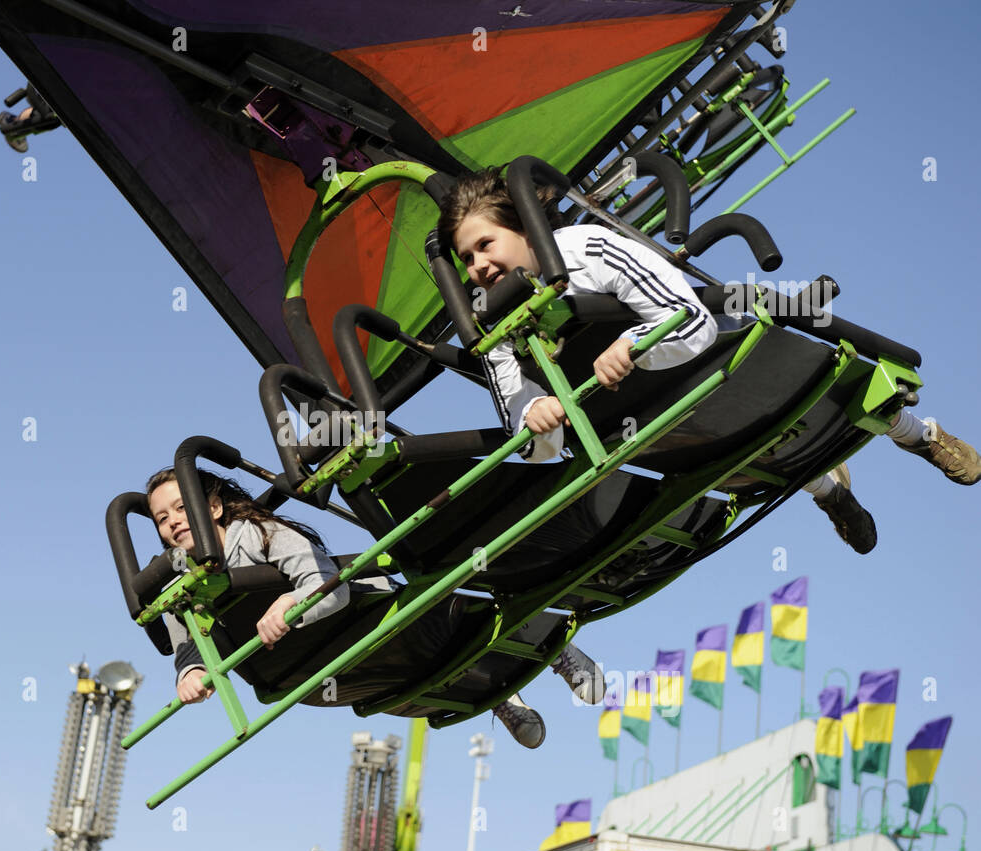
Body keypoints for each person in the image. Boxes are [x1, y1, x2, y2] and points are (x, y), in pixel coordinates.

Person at [436, 167, 979, 554]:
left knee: (809, 399)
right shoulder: (492, 327)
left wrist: (633, 345)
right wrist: (537, 420)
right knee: (742, 457)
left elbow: (691, 321)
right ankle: (833, 495)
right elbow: (527, 435)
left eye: (486, 244)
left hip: (720, 368)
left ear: (525, 228)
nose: (479, 266)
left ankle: (919, 436)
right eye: (466, 259)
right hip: (664, 424)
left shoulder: (591, 250)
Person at [144, 468, 603, 748]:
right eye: (162, 519)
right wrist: (188, 674)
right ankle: (496, 695)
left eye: (182, 508)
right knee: (386, 687)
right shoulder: (181, 584)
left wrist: (291, 602)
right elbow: (190, 645)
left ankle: (549, 646)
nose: (173, 523)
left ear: (216, 507)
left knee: (441, 627)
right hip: (313, 661)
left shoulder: (263, 534)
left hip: (357, 612)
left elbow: (327, 586)